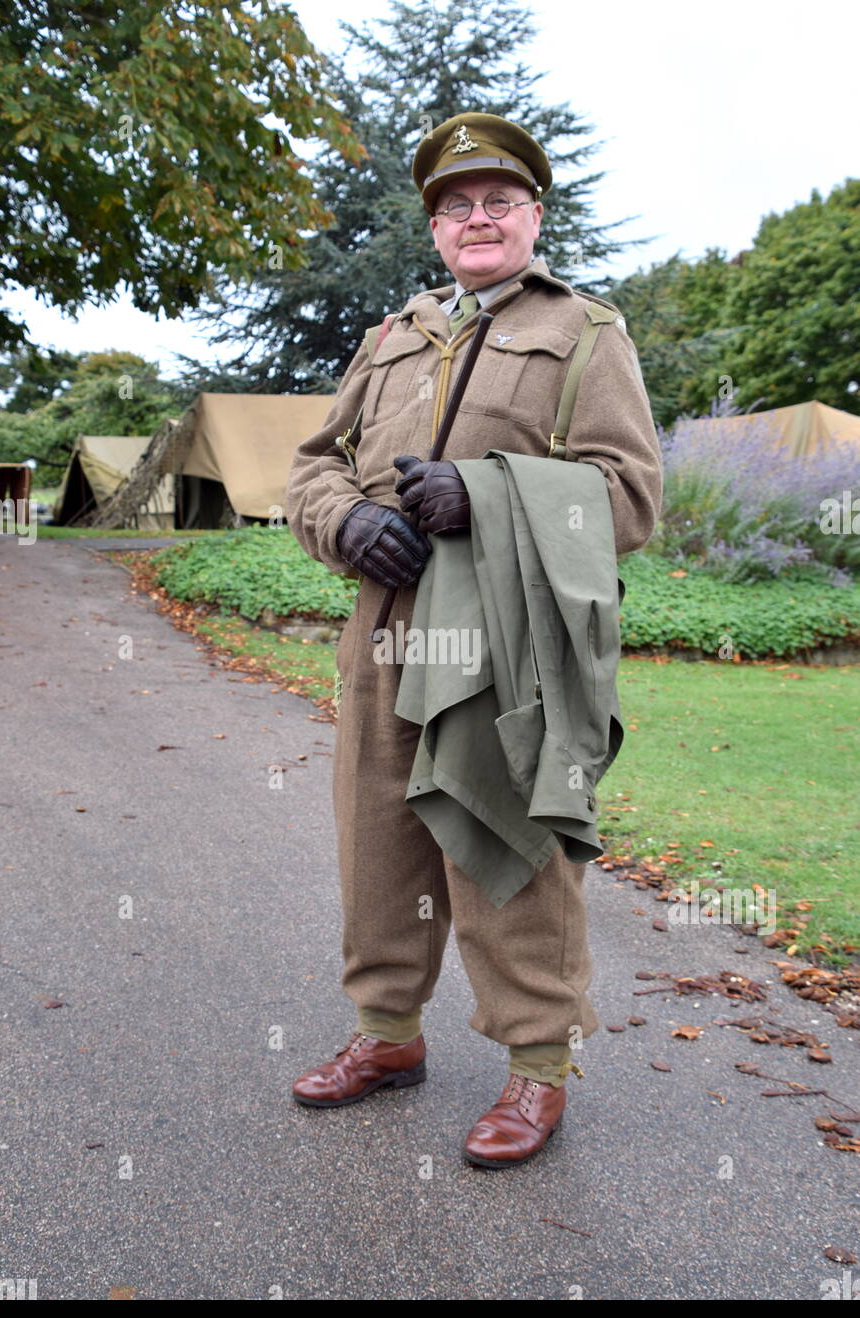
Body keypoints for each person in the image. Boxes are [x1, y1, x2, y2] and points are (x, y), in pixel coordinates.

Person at [284, 112, 662, 1168]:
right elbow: (312, 466)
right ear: (436, 229)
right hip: (384, 627)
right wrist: (343, 521)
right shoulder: (390, 337)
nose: (477, 218)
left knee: (509, 846)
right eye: (456, 205)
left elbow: (628, 498)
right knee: (377, 845)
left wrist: (489, 497)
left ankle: (536, 1070)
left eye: (498, 200)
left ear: (533, 215)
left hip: (509, 638)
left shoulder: (586, 333)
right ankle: (385, 1037)